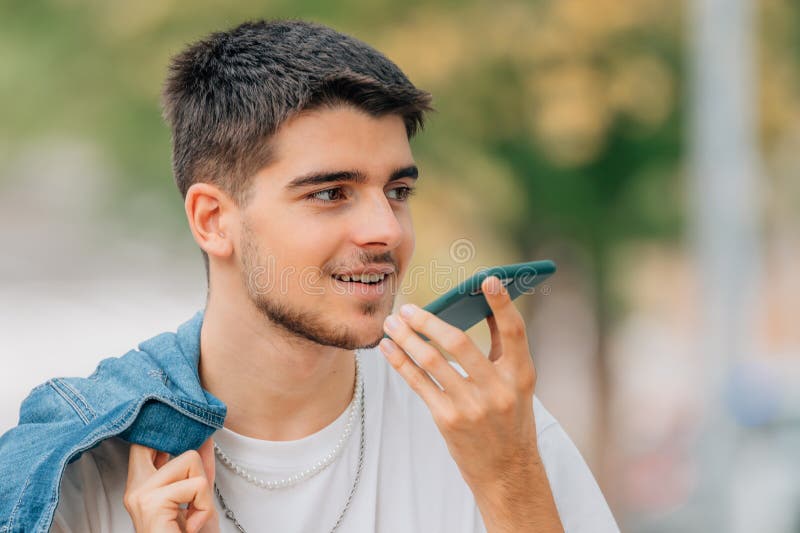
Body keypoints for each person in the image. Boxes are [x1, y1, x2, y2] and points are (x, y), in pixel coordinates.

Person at [0, 19, 619, 533]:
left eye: (397, 190)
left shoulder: (489, 430)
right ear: (214, 220)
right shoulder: (80, 475)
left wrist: (509, 482)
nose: (387, 229)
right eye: (330, 193)